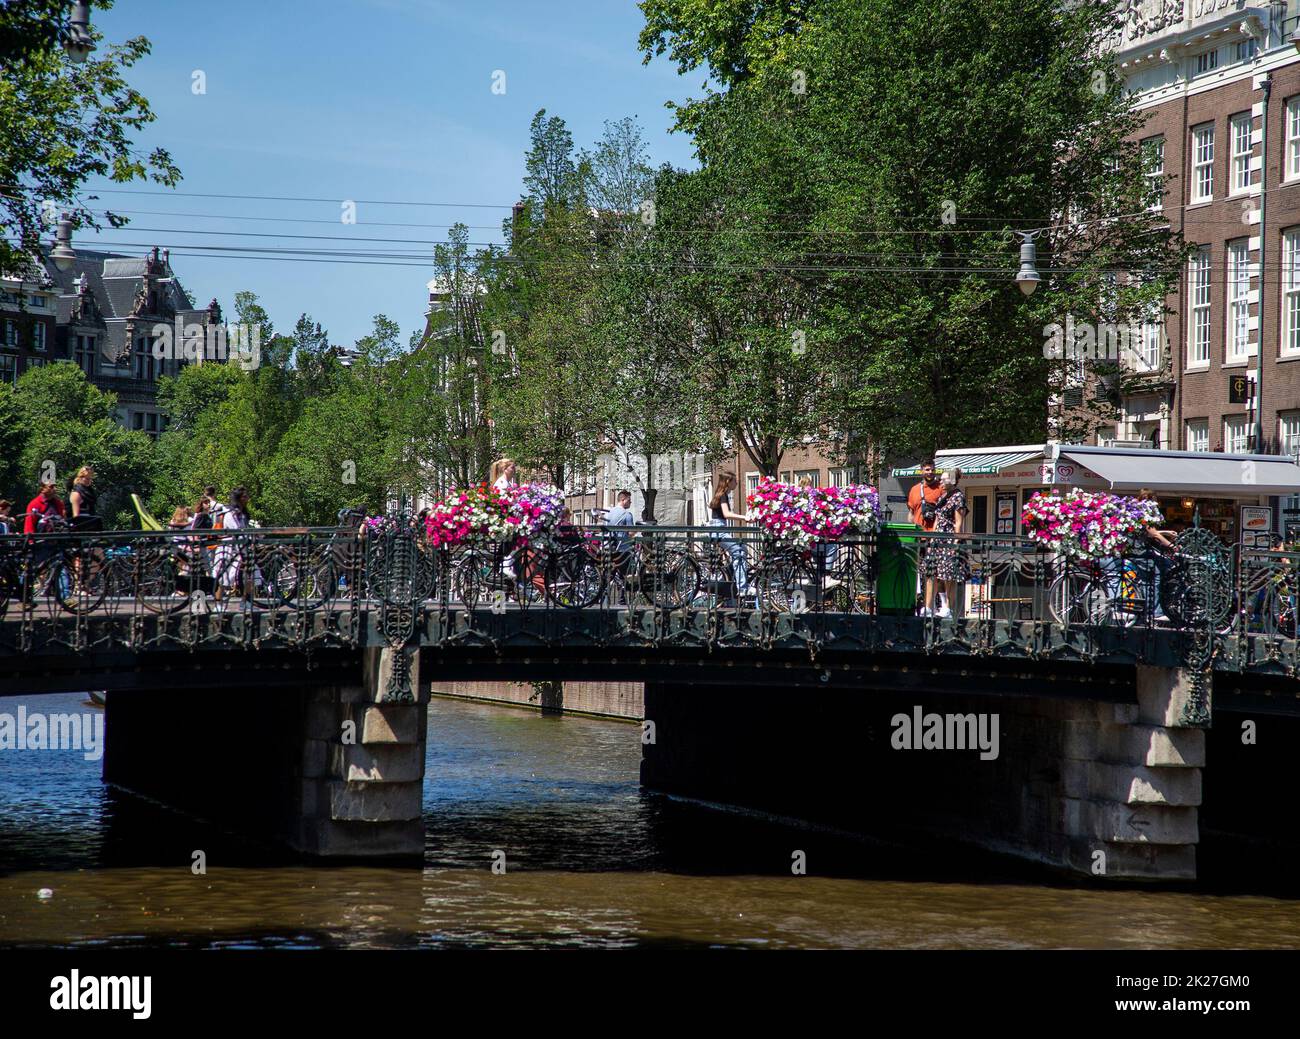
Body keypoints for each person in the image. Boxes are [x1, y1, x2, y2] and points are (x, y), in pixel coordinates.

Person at [922, 468, 968, 618]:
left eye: (944, 479)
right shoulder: (942, 497)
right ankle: (929, 607)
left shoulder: (958, 497)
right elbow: (937, 519)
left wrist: (955, 543)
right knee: (931, 572)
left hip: (948, 538)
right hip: (938, 539)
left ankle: (948, 607)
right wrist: (933, 538)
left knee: (948, 575)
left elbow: (959, 522)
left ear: (952, 480)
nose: (940, 481)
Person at [708, 472, 751, 600]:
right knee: (738, 551)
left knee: (742, 548)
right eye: (735, 481)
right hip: (718, 529)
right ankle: (742, 588)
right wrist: (744, 517)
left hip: (718, 528)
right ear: (728, 482)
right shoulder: (722, 496)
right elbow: (727, 514)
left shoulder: (721, 495)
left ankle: (731, 577)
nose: (736, 483)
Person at [212, 486, 252, 604]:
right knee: (223, 578)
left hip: (242, 548)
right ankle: (218, 604)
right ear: (238, 498)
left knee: (250, 575)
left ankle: (246, 602)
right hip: (228, 548)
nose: (247, 499)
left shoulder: (243, 514)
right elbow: (236, 530)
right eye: (244, 496)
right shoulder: (230, 513)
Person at [907, 461, 944, 532]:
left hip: (936, 536)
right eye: (927, 470)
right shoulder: (914, 489)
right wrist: (911, 531)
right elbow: (911, 513)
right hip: (918, 535)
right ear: (921, 471)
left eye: (932, 470)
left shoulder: (942, 488)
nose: (930, 472)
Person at [68, 466, 102, 532]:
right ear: (80, 478)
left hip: (88, 521)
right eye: (87, 478)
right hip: (80, 524)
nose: (89, 481)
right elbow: (76, 516)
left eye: (90, 478)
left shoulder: (88, 492)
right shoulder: (76, 493)